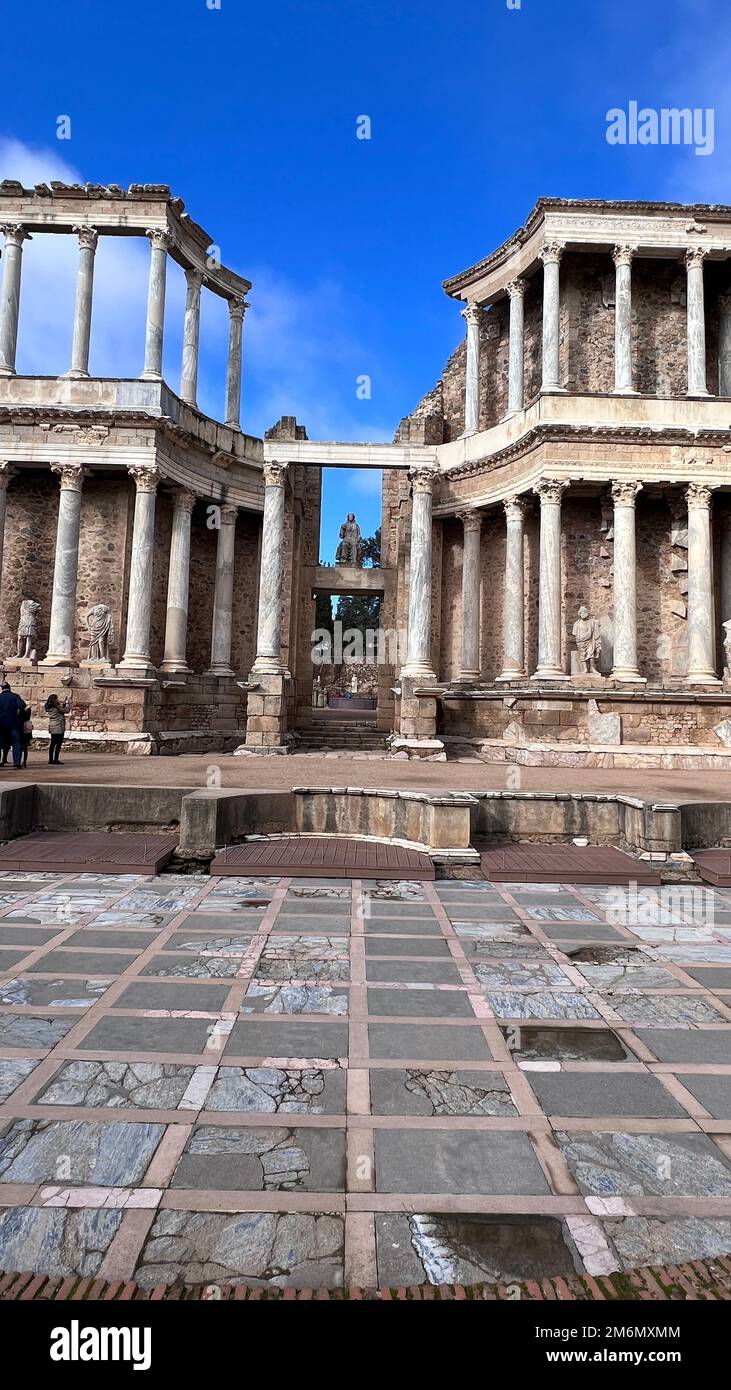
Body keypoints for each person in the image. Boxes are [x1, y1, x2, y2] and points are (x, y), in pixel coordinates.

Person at [0, 681, 26, 769]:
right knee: (16, 743)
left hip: (1, 724)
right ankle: (16, 763)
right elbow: (22, 705)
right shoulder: (15, 696)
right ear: (9, 688)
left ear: (2, 689)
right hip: (14, 723)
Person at [45, 693, 72, 765]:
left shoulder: (49, 708)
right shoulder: (57, 708)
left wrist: (62, 705)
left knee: (52, 743)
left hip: (52, 726)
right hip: (59, 727)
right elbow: (66, 710)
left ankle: (50, 759)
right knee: (58, 744)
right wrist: (67, 704)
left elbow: (60, 710)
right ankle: (56, 759)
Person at [19, 700, 33, 769]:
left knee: (21, 747)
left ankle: (20, 761)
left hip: (22, 730)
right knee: (25, 748)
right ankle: (24, 762)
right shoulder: (28, 710)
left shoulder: (21, 711)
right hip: (27, 731)